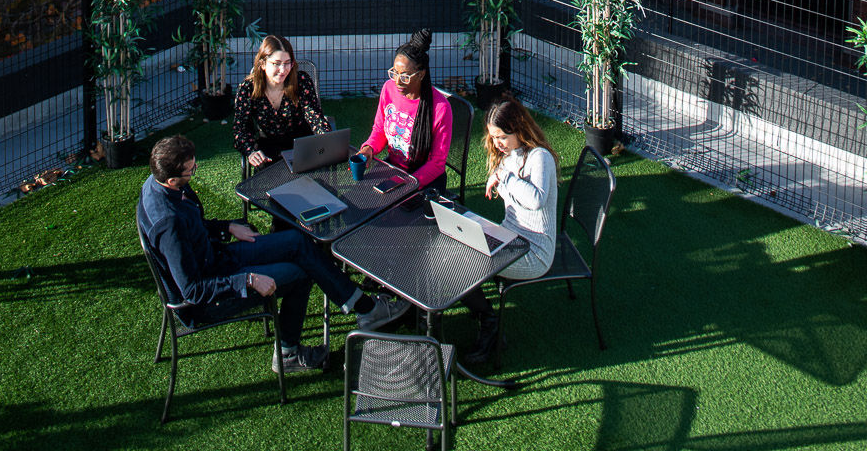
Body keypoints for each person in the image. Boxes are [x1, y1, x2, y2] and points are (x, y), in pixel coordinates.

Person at [137, 134, 406, 373]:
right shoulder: (167, 224)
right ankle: (288, 353)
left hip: (216, 257)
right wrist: (248, 280)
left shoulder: (158, 182)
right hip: (209, 296)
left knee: (297, 241)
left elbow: (192, 226)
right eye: (190, 171)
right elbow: (192, 291)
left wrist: (228, 227)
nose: (194, 172)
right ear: (172, 180)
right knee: (300, 275)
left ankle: (362, 306)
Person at [461, 97, 559, 367]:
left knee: (466, 265)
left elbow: (536, 199)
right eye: (494, 137)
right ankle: (486, 316)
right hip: (510, 237)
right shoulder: (507, 158)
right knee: (458, 247)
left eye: (503, 136)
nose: (497, 143)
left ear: (520, 129)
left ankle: (489, 324)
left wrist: (505, 178)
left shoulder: (540, 157)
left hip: (535, 251)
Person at [357, 28, 452, 189]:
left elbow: (437, 164)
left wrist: (407, 184)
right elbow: (380, 129)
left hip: (423, 179)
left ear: (421, 75)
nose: (398, 81)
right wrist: (369, 148)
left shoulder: (440, 108)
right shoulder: (388, 89)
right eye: (395, 73)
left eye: (405, 76)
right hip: (395, 169)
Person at [233, 34, 329, 169]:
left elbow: (315, 117)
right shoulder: (247, 89)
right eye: (276, 64)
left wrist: (325, 140)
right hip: (269, 149)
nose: (283, 70)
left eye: (287, 63)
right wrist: (251, 152)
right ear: (263, 64)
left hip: (302, 146)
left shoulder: (301, 81)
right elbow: (240, 128)